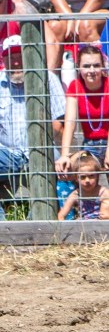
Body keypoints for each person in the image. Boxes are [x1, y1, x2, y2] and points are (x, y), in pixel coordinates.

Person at [0, 35, 65, 219]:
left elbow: (60, 126)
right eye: (10, 55)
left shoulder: (48, 78)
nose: (16, 60)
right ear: (3, 59)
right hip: (8, 153)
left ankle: (35, 224)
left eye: (20, 54)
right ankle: (2, 227)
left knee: (46, 168)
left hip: (43, 150)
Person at [56, 44, 109, 176]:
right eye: (86, 66)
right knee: (68, 167)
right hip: (90, 146)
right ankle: (84, 197)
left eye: (96, 65)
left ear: (102, 66)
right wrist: (64, 154)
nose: (91, 70)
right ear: (79, 67)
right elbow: (69, 123)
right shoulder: (75, 86)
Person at [57, 151, 109, 221]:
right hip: (83, 226)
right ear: (76, 178)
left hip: (102, 225)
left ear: (97, 176)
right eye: (83, 177)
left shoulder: (104, 192)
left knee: (107, 203)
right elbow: (61, 215)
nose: (87, 180)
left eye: (91, 176)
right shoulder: (76, 194)